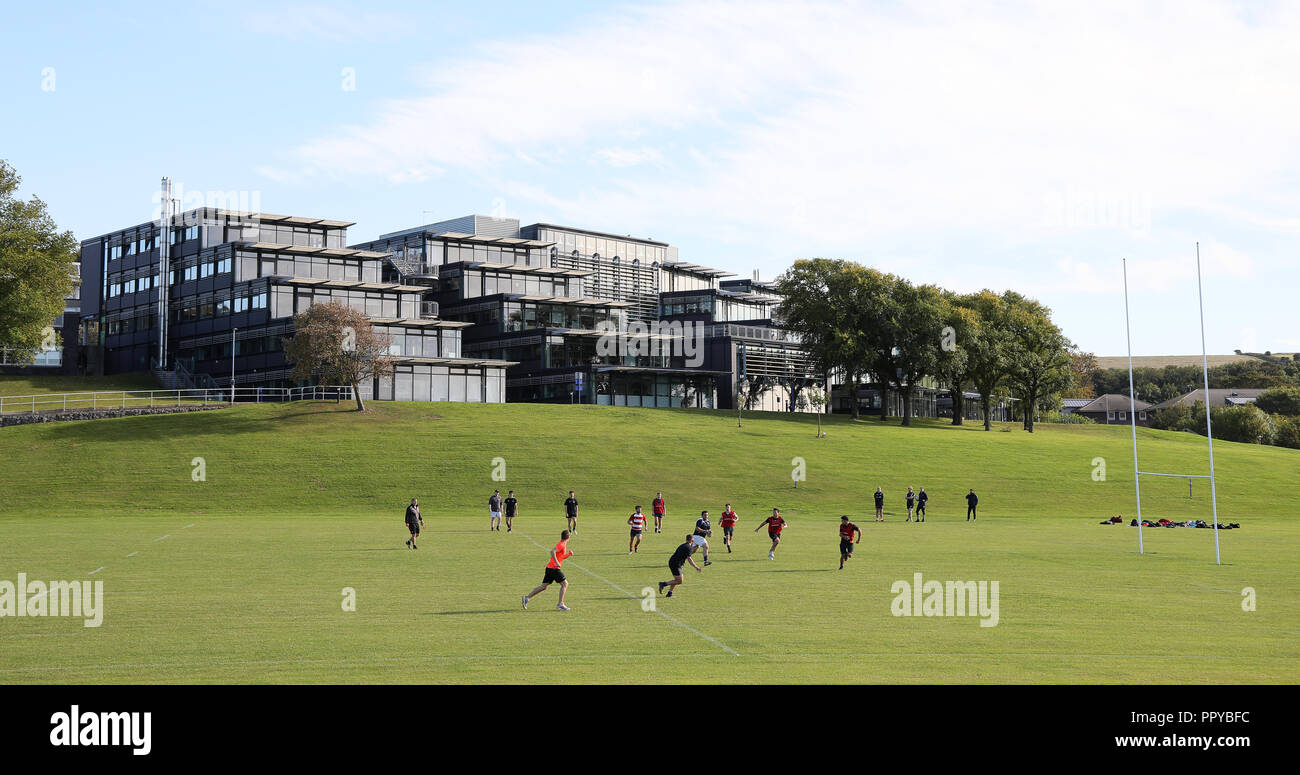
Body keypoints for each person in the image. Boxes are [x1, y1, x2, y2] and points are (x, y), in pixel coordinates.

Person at [523, 530, 574, 611]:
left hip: (550, 568)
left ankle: (527, 597)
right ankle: (560, 604)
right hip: (554, 569)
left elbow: (560, 557)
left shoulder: (563, 544)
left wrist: (568, 555)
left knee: (543, 586)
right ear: (568, 537)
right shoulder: (561, 544)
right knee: (565, 584)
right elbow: (552, 551)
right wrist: (557, 562)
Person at [657, 534, 703, 598]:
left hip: (673, 562)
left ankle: (669, 593)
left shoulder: (684, 545)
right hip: (675, 564)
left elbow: (689, 552)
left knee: (676, 580)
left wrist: (695, 548)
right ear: (692, 540)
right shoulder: (688, 547)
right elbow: (689, 559)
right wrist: (696, 567)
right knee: (679, 581)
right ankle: (663, 584)